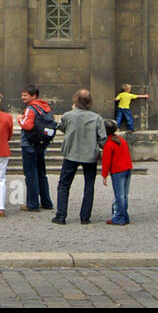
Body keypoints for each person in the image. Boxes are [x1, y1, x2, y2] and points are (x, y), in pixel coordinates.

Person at [52, 89, 107, 225]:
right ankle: (85, 216)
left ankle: (61, 215)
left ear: (75, 100)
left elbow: (64, 128)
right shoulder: (97, 118)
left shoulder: (67, 116)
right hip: (90, 154)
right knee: (89, 185)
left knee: (64, 184)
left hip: (71, 153)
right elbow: (103, 139)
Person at [18, 85, 56, 212]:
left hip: (29, 143)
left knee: (30, 174)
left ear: (33, 96)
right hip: (41, 143)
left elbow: (27, 126)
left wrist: (19, 120)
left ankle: (32, 203)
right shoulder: (46, 108)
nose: (22, 97)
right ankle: (46, 202)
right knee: (41, 173)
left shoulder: (31, 108)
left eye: (25, 95)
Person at [102, 119, 134, 225]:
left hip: (117, 171)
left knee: (119, 195)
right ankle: (124, 216)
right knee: (124, 195)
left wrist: (104, 175)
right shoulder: (121, 140)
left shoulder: (109, 144)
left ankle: (119, 217)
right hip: (127, 168)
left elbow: (106, 161)